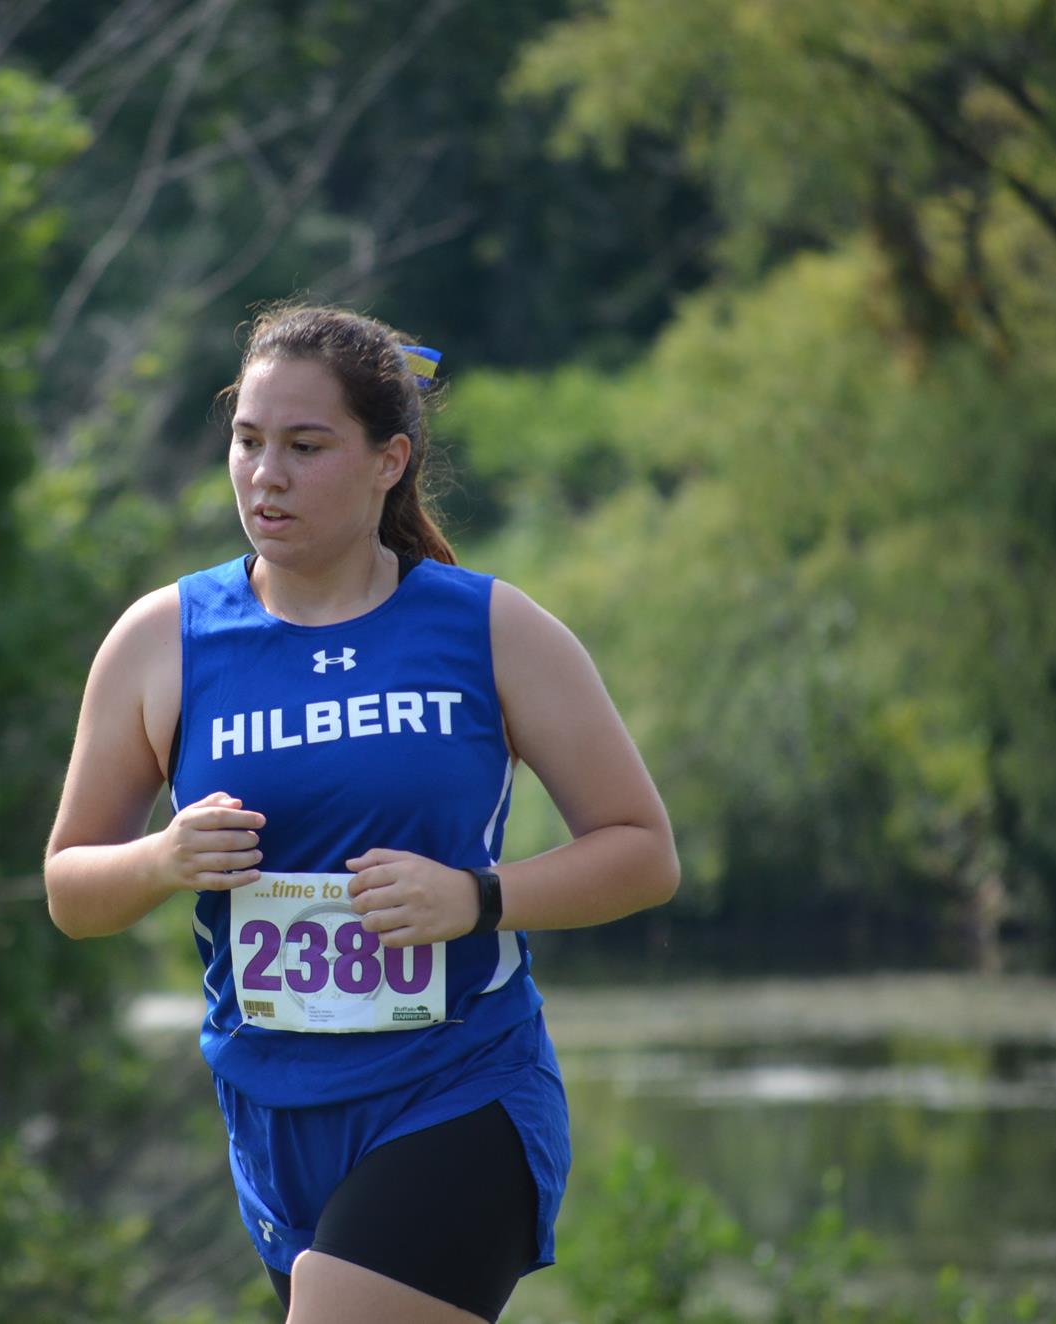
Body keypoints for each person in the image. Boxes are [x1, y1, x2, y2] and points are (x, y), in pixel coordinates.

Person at [43, 303, 679, 1323]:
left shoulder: (488, 627)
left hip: (459, 1086)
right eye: (247, 441)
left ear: (389, 461)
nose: (266, 475)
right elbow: (71, 890)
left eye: (305, 447)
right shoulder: (162, 640)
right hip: (274, 1113)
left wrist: (476, 897)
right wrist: (161, 858)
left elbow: (642, 852)